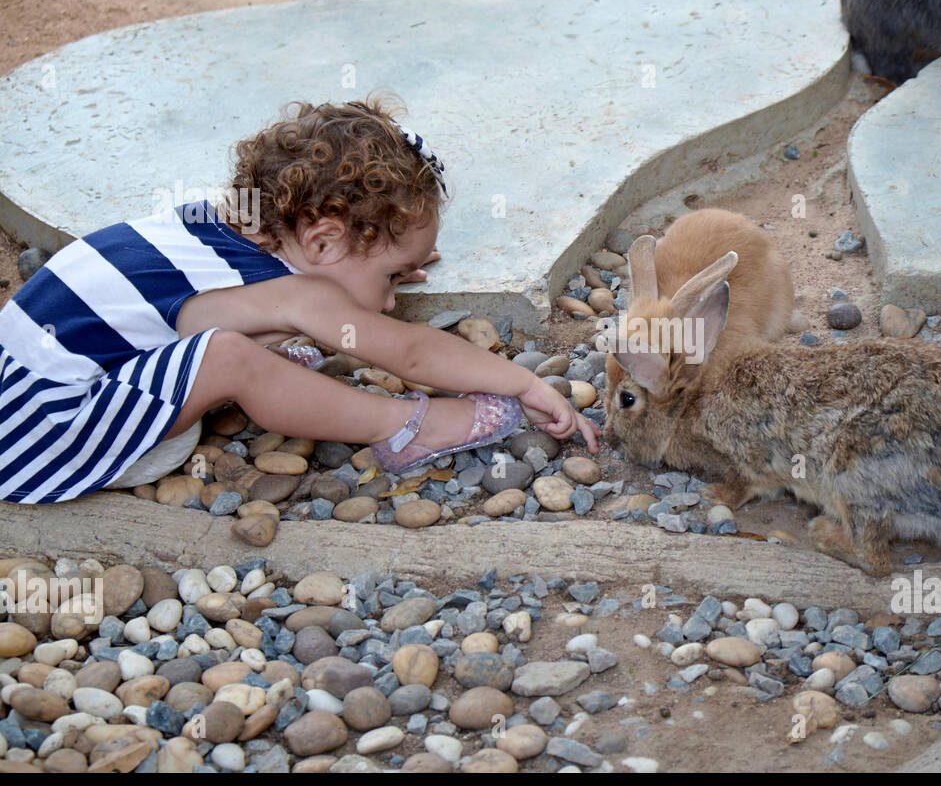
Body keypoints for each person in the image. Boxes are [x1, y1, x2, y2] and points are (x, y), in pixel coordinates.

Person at [0, 95, 599, 504]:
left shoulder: (223, 226)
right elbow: (410, 354)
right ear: (323, 240)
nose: (390, 300)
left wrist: (377, 265)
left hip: (22, 388)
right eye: (393, 275)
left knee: (242, 338)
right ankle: (405, 428)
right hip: (51, 433)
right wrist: (522, 384)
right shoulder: (298, 289)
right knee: (229, 356)